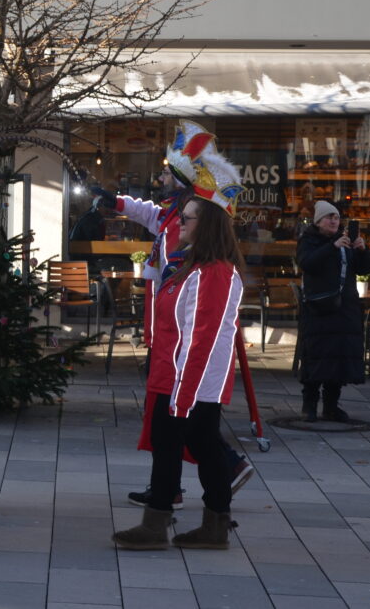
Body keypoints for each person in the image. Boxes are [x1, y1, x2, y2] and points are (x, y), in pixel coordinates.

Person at [92, 120, 254, 508]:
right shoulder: (175, 213)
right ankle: (168, 495)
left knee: (187, 428)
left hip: (183, 357)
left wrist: (182, 384)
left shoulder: (201, 248)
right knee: (171, 427)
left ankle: (213, 481)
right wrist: (116, 202)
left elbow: (202, 332)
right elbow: (150, 216)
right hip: (169, 343)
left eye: (168, 169)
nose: (162, 174)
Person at [296, 200, 370, 422]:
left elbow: (365, 269)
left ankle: (331, 405)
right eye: (329, 217)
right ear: (318, 221)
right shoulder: (309, 240)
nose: (333, 221)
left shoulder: (346, 241)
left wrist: (362, 250)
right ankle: (309, 404)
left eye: (337, 218)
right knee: (316, 355)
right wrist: (332, 247)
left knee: (340, 356)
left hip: (344, 308)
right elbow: (307, 262)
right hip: (320, 308)